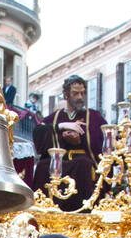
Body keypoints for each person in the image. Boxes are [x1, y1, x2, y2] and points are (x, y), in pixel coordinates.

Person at [33, 75, 107, 213]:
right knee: (43, 166)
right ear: (66, 95)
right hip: (59, 161)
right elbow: (39, 133)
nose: (80, 97)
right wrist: (61, 127)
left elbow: (101, 141)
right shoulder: (56, 117)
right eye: (75, 93)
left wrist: (81, 140)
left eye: (83, 93)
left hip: (82, 163)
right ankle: (45, 210)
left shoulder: (94, 117)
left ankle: (83, 211)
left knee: (83, 165)